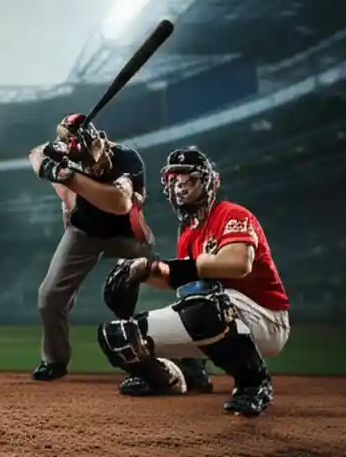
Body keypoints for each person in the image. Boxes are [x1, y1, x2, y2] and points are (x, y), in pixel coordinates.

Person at [97, 146, 290, 417]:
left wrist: (164, 267)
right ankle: (174, 377)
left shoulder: (232, 214)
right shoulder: (187, 233)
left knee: (203, 304)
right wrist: (142, 271)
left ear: (209, 182)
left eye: (189, 179)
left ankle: (254, 384)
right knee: (119, 336)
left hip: (264, 317)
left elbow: (237, 264)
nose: (180, 187)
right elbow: (183, 280)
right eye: (174, 181)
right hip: (216, 312)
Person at [27, 113, 156, 381]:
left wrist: (69, 177)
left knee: (134, 296)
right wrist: (49, 168)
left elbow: (120, 204)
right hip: (83, 233)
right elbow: (36, 153)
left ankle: (166, 360)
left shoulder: (125, 159)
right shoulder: (63, 156)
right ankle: (54, 361)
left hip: (127, 237)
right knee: (50, 297)